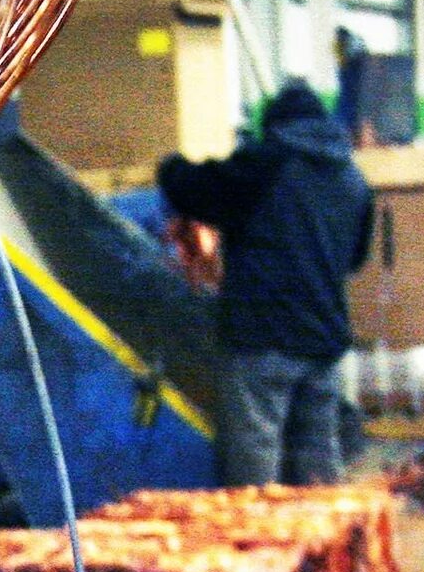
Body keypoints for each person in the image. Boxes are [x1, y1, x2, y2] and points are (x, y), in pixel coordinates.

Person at [156, 79, 374, 487]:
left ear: (274, 127)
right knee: (316, 460)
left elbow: (193, 188)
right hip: (323, 344)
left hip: (261, 343)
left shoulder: (268, 164)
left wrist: (169, 166)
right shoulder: (353, 181)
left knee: (255, 463)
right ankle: (323, 547)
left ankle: (259, 547)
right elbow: (354, 259)